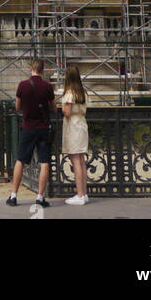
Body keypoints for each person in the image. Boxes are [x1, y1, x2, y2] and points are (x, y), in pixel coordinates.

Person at [6, 58, 55, 208]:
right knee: (44, 162)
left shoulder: (23, 85)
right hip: (43, 128)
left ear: (30, 69)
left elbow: (17, 106)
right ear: (43, 70)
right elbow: (53, 107)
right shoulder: (47, 86)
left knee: (20, 160)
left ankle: (14, 195)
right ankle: (40, 197)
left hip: (28, 127)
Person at [61, 63, 89, 205]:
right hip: (82, 124)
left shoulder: (69, 93)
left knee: (75, 160)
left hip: (73, 126)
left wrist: (60, 107)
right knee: (81, 160)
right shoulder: (82, 93)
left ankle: (79, 194)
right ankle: (83, 193)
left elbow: (66, 112)